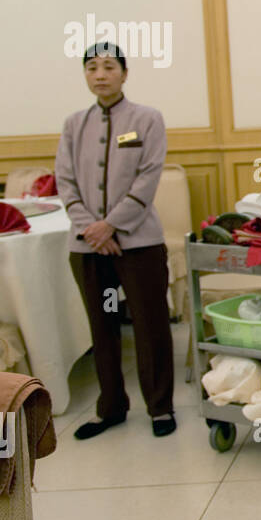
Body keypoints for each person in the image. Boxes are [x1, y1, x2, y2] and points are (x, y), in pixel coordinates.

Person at [55, 42, 176, 438]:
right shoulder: (74, 124)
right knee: (102, 325)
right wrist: (91, 228)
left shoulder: (147, 119)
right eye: (92, 67)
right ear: (85, 76)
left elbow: (149, 175)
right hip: (88, 247)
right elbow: (66, 180)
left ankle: (160, 407)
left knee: (150, 323)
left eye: (109, 66)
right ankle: (110, 407)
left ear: (124, 73)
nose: (100, 74)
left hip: (138, 243)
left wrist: (112, 225)